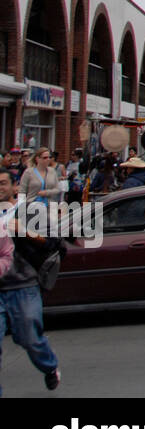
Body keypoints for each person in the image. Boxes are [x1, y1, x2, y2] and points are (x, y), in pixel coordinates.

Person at [0, 169, 61, 394]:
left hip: (23, 285)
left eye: (3, 183)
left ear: (15, 186)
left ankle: (49, 367)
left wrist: (24, 231)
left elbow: (52, 242)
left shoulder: (29, 211)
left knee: (29, 338)